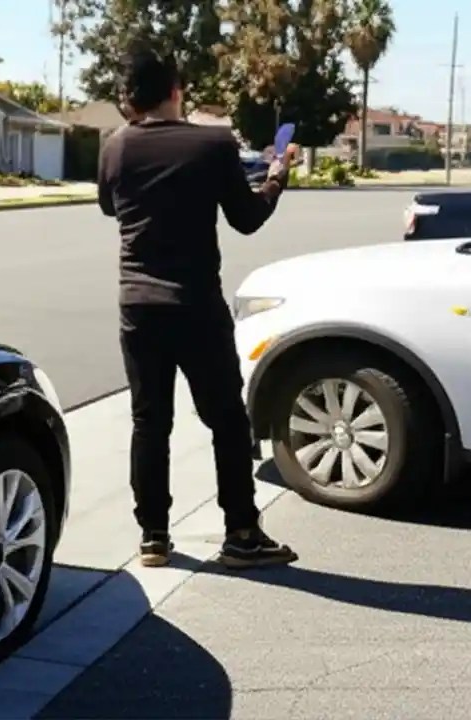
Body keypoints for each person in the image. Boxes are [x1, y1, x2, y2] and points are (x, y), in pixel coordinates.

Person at [97, 48, 298, 569]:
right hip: (196, 307)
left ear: (130, 97)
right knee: (227, 419)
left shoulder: (114, 147)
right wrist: (277, 174)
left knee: (150, 422)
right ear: (175, 90)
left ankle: (153, 537)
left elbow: (108, 205)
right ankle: (241, 534)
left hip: (138, 306)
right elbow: (248, 218)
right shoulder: (212, 142)